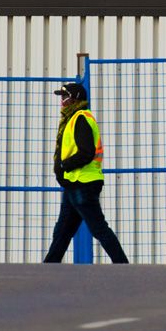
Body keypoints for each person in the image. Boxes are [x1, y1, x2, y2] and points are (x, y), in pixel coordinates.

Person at [43, 83, 129, 264]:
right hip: (74, 182)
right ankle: (49, 266)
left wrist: (64, 165)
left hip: (83, 182)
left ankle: (122, 265)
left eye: (64, 97)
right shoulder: (72, 118)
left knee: (98, 228)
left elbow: (87, 152)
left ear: (74, 98)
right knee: (62, 231)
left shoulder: (80, 118)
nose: (61, 101)